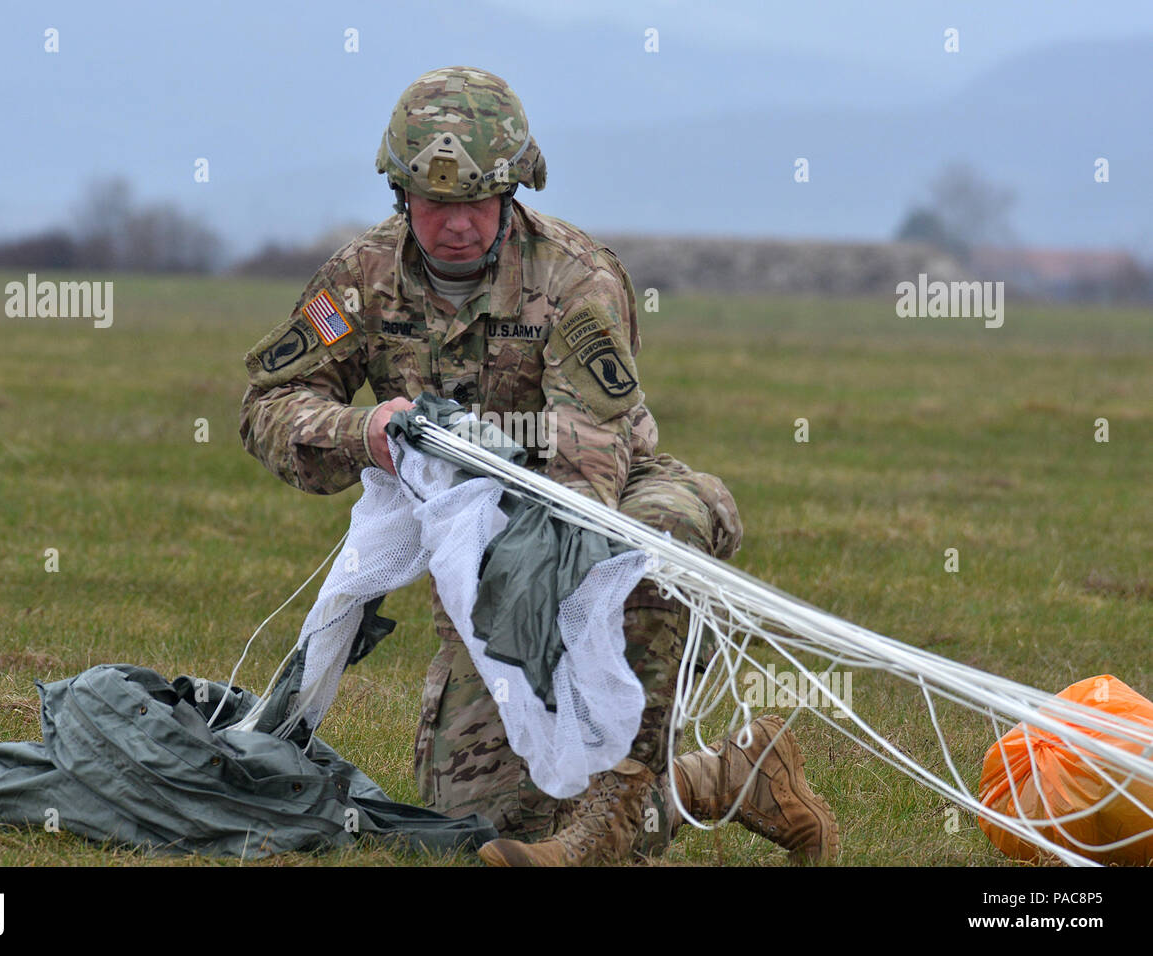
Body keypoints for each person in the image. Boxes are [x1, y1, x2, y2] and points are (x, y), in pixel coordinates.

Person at [239, 65, 838, 866]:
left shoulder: (573, 277)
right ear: (399, 194)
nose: (456, 223)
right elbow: (271, 403)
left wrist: (520, 592)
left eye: (477, 200)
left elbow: (587, 458)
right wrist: (362, 432)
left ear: (515, 188)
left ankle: (618, 814)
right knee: (485, 832)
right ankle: (730, 776)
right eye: (434, 201)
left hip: (610, 502)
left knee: (648, 546)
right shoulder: (359, 281)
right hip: (471, 550)